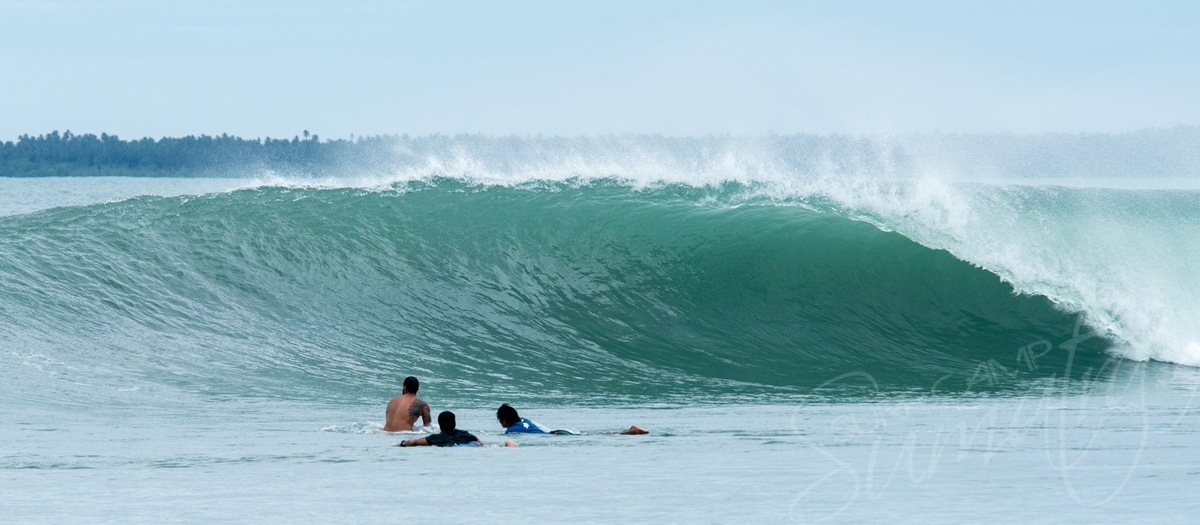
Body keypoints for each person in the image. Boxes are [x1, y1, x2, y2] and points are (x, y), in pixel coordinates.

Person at [496, 403, 648, 435]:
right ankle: (628, 431)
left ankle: (629, 432)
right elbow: (542, 428)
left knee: (597, 437)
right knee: (597, 435)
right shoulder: (524, 420)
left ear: (504, 420)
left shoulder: (512, 431)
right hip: (557, 432)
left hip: (556, 436)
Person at [398, 411, 516, 447]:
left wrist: (402, 443)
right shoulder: (465, 434)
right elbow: (481, 444)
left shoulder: (436, 438)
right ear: (454, 423)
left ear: (439, 424)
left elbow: (414, 442)